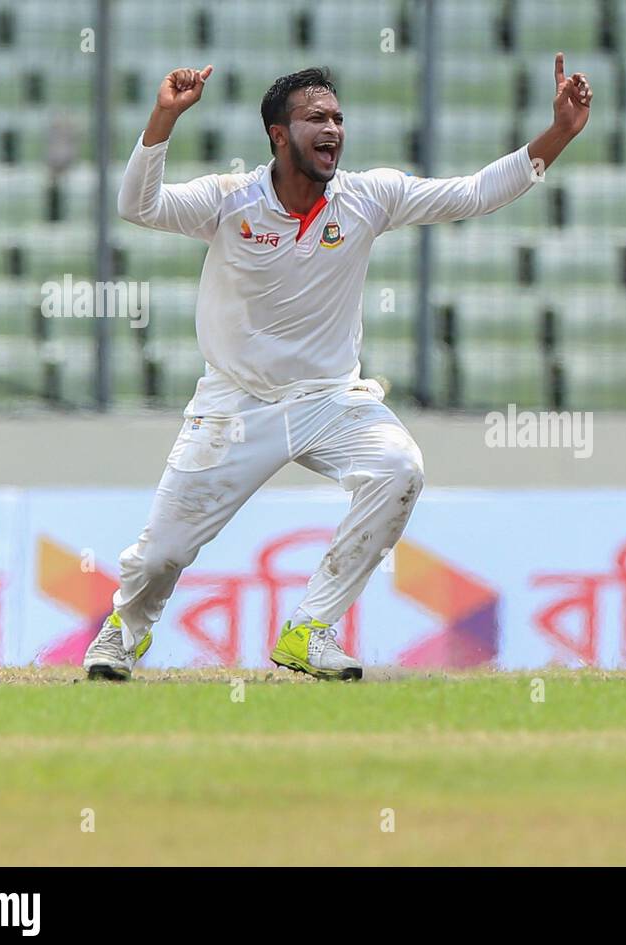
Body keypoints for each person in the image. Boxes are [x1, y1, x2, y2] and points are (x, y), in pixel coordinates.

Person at [83, 56, 592, 680]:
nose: (333, 130)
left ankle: (310, 628)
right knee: (163, 553)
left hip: (330, 398)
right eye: (316, 118)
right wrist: (164, 116)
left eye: (338, 118)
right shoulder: (228, 200)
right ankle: (122, 633)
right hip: (237, 404)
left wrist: (560, 133)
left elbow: (476, 192)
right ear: (278, 135)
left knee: (398, 467)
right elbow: (137, 205)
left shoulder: (366, 196)